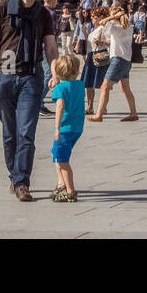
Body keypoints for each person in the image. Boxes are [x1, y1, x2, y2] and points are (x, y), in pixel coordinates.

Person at [0, 0, 60, 203]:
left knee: (26, 132)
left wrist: (55, 73)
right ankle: (14, 176)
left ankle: (22, 182)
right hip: (4, 76)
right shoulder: (2, 8)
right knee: (9, 133)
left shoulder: (43, 14)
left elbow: (51, 48)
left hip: (31, 76)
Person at [87, 5, 138, 122]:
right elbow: (113, 41)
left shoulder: (114, 26)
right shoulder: (128, 27)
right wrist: (102, 42)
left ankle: (99, 115)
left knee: (104, 87)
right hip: (126, 61)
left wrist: (113, 16)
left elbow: (103, 22)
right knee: (126, 88)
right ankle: (133, 113)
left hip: (118, 60)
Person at [50, 54, 85, 202]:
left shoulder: (60, 88)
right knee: (57, 155)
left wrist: (57, 128)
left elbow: (60, 107)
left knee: (63, 160)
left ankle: (70, 190)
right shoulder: (80, 85)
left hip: (64, 128)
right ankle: (61, 183)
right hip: (77, 127)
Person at [82, 8, 110, 114]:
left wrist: (101, 41)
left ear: (102, 17)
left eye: (94, 16)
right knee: (89, 84)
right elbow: (91, 43)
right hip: (91, 56)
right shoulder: (94, 28)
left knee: (104, 85)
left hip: (100, 56)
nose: (92, 18)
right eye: (92, 16)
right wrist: (85, 33)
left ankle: (103, 107)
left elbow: (111, 41)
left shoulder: (104, 28)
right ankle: (90, 107)